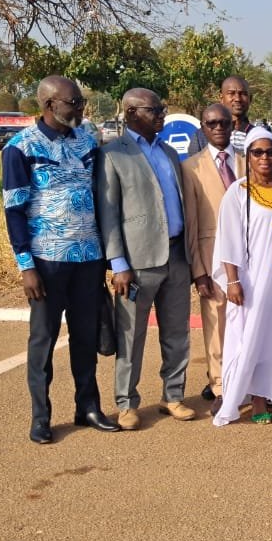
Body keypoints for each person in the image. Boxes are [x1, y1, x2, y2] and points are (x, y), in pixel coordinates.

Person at [2, 76, 119, 444]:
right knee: (44, 341)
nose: (80, 107)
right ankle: (41, 417)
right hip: (47, 261)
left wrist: (107, 258)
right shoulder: (20, 148)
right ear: (49, 105)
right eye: (73, 102)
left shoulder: (88, 140)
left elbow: (102, 197)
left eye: (81, 101)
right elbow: (14, 211)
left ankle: (87, 407)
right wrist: (26, 267)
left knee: (86, 338)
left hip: (88, 257)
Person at [96, 88, 195, 429]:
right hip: (137, 265)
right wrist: (118, 264)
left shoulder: (168, 151)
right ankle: (127, 403)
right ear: (132, 113)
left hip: (177, 256)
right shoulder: (113, 155)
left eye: (162, 108)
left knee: (177, 333)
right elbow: (108, 215)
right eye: (155, 109)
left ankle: (174, 396)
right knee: (130, 336)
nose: (162, 114)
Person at [212, 127, 272, 425]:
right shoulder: (238, 193)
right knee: (254, 337)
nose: (265, 158)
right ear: (248, 156)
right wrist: (232, 281)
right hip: (253, 280)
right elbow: (228, 239)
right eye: (258, 152)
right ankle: (257, 399)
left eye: (270, 152)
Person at [182, 103, 238, 409]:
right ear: (202, 128)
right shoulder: (190, 168)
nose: (218, 128)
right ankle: (219, 387)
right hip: (210, 258)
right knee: (216, 326)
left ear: (232, 126)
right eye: (211, 123)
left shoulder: (247, 162)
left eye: (223, 123)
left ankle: (247, 381)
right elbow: (191, 223)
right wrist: (198, 271)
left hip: (247, 260)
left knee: (245, 324)